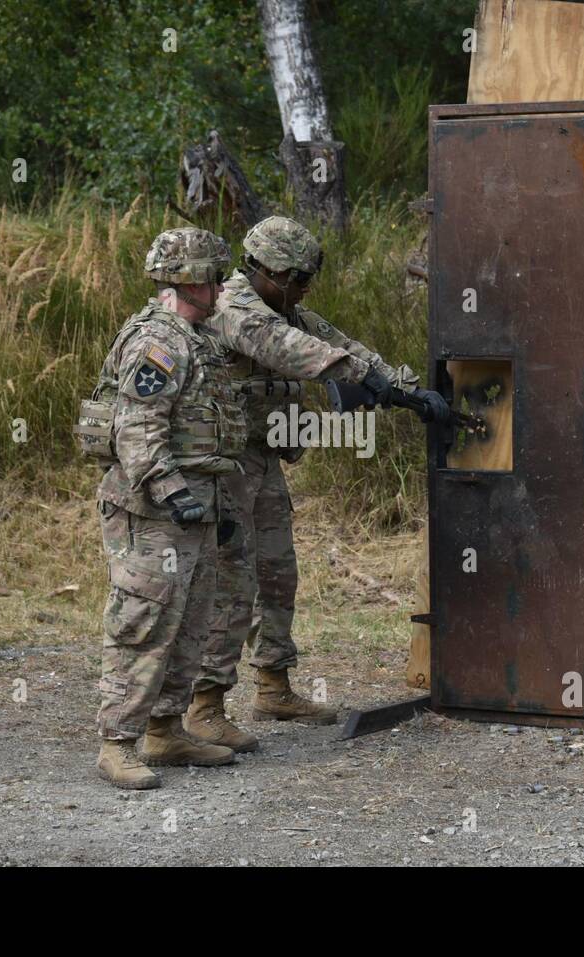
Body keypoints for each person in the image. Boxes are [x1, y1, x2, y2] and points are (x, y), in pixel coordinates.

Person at [82, 226, 383, 789]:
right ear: (186, 281)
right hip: (153, 508)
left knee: (193, 615)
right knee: (143, 618)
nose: (224, 286)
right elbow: (136, 428)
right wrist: (169, 489)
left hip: (200, 498)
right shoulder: (159, 341)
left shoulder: (195, 337)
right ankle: (118, 741)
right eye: (215, 277)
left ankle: (167, 729)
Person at [185, 216, 451, 754]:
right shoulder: (235, 307)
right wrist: (360, 376)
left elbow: (339, 344)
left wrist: (406, 391)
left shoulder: (287, 308)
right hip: (223, 462)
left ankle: (273, 686)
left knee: (278, 572)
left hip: (262, 459)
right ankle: (204, 706)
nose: (304, 288)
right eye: (297, 278)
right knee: (233, 582)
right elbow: (289, 349)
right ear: (265, 270)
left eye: (307, 279)